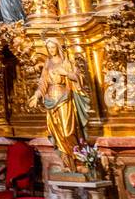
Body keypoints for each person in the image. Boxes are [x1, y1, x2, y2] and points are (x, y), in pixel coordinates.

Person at [29, 39, 91, 172]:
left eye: (53, 47)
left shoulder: (66, 62)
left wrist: (66, 73)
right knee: (58, 132)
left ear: (57, 47)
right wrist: (36, 95)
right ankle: (68, 164)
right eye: (49, 48)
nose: (51, 50)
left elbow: (79, 77)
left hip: (64, 98)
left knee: (68, 131)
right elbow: (43, 83)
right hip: (50, 99)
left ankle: (79, 160)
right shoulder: (47, 63)